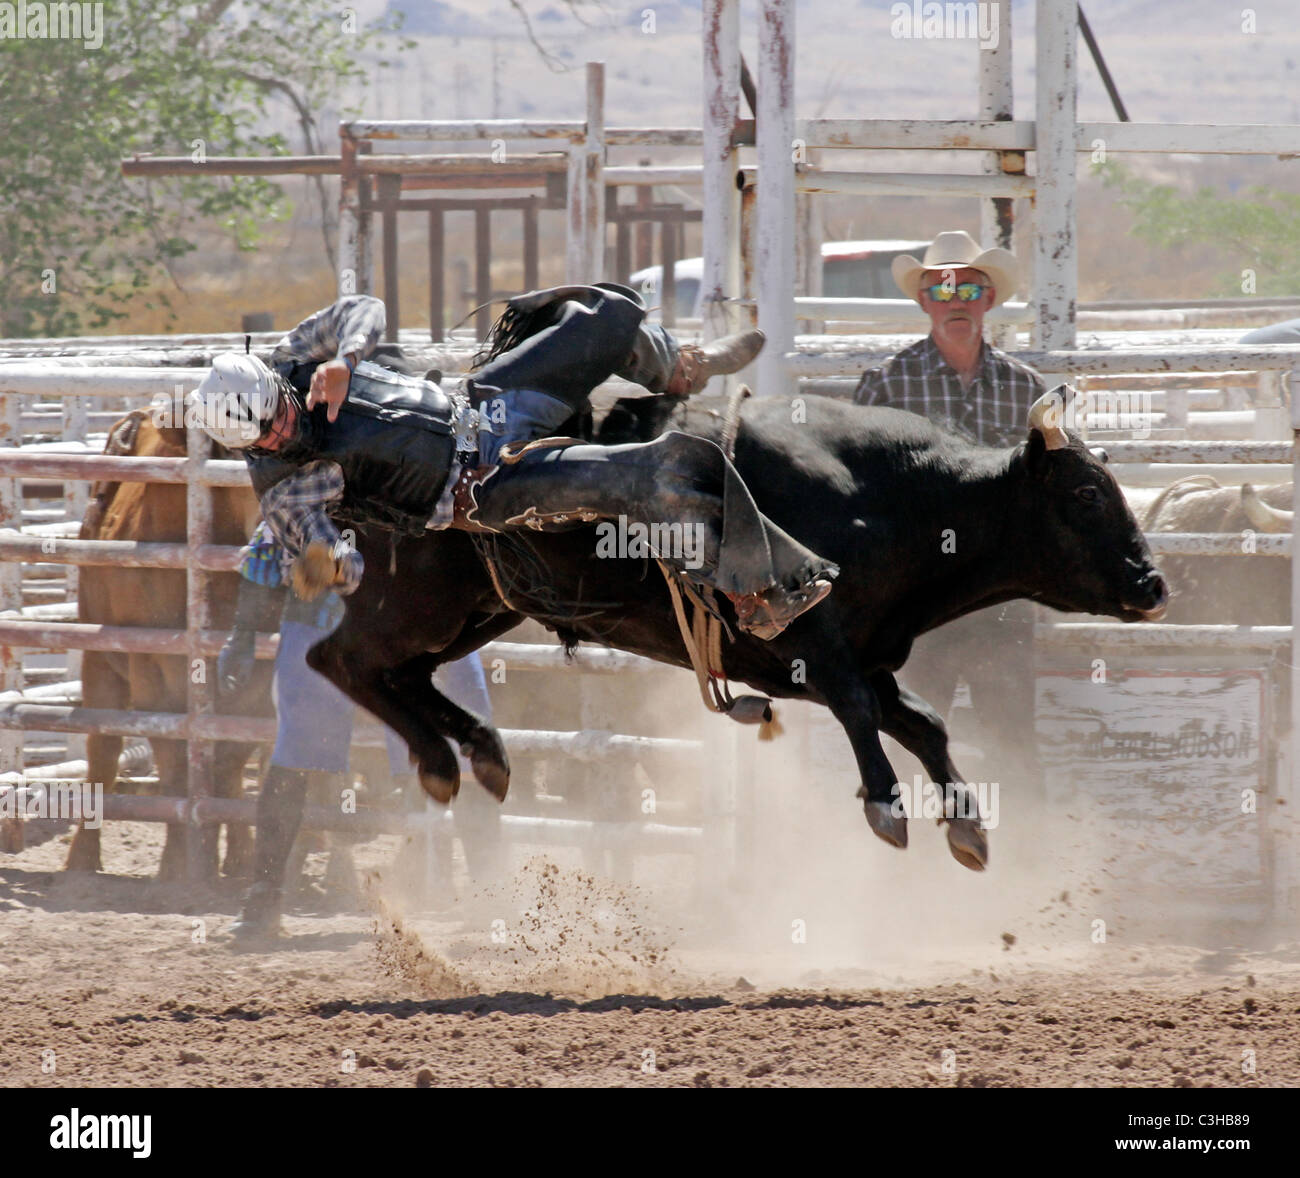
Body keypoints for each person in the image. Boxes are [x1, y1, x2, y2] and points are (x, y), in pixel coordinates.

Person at [191, 285, 837, 641]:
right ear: (250, 447)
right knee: (651, 472)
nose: (283, 426)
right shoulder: (284, 496)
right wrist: (323, 566)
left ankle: (680, 367)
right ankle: (751, 593)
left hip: (476, 406)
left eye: (278, 409)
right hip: (479, 488)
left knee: (603, 315)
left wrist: (347, 358)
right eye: (267, 435)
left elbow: (363, 308)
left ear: (270, 384)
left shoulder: (292, 361)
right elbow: (346, 563)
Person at [217, 521, 501, 944]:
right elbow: (274, 532)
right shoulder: (314, 479)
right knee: (294, 752)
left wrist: (241, 635)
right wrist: (241, 633)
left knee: (470, 742)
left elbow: (270, 538)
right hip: (358, 619)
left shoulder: (320, 475)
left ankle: (491, 896)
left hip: (422, 617)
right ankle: (264, 897)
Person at [852, 230, 1045, 786]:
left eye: (968, 289)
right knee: (911, 729)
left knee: (1013, 735)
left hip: (996, 600)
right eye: (942, 290)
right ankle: (907, 863)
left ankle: (1033, 854)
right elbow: (859, 494)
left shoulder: (1023, 389)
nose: (955, 301)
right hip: (916, 600)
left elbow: (1045, 494)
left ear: (988, 299)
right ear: (923, 302)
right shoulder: (886, 386)